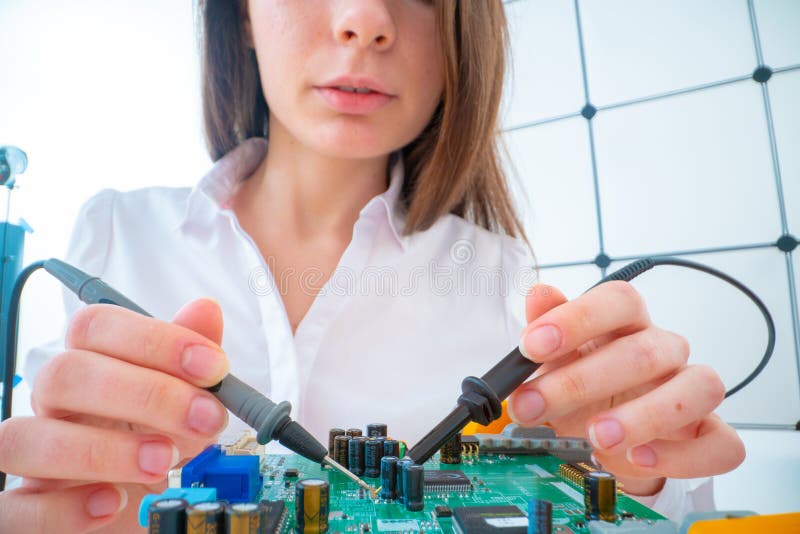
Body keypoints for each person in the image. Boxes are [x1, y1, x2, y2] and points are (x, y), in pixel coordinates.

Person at [0, 1, 745, 532]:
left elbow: (624, 505)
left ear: (461, 34)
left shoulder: (506, 279)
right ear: (240, 17)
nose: (364, 17)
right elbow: (33, 482)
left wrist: (641, 464)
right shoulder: (114, 233)